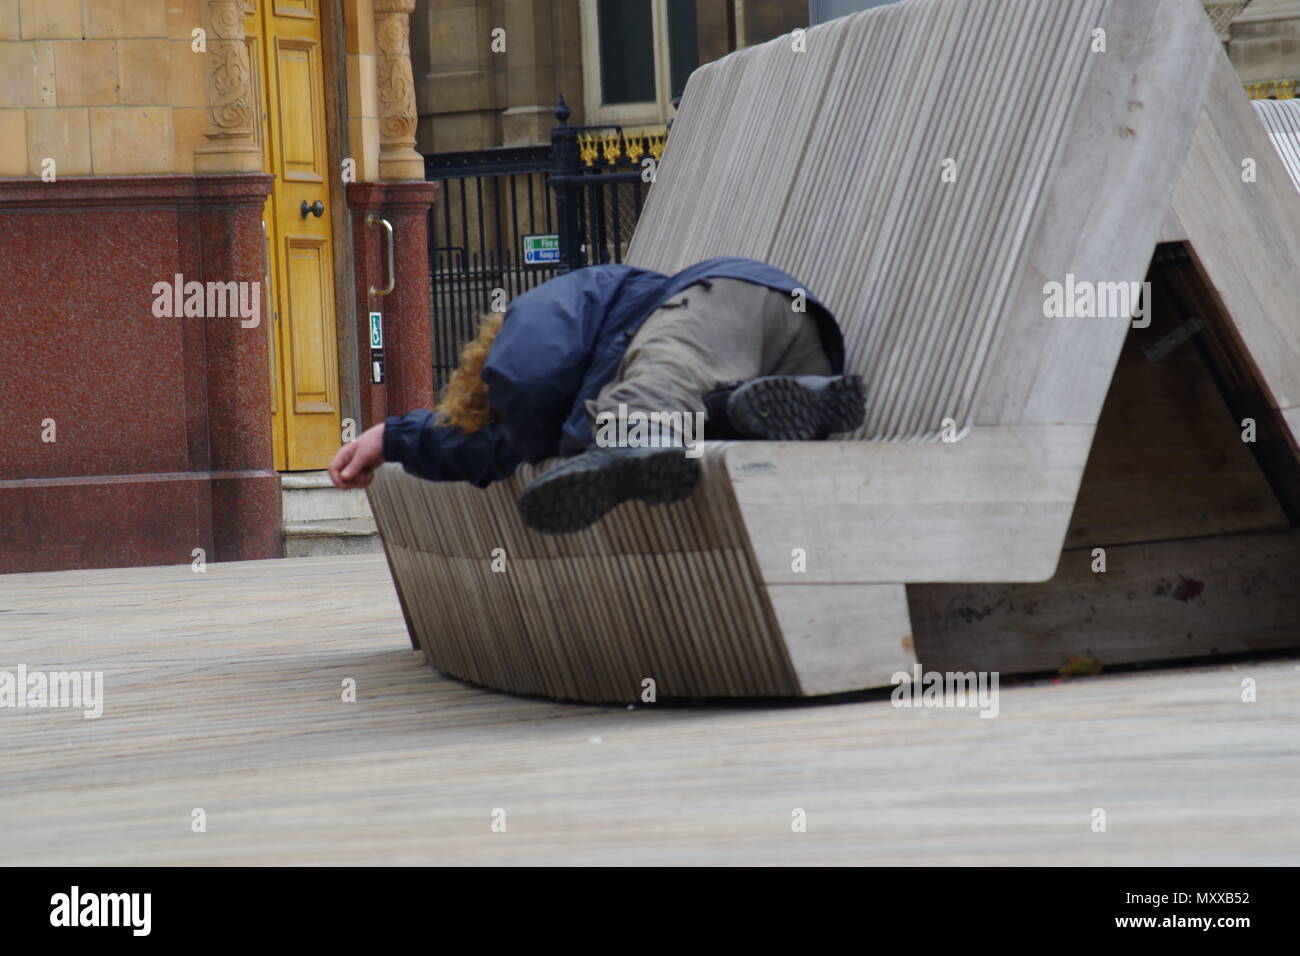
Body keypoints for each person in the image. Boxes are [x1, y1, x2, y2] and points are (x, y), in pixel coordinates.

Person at [329, 256, 865, 534]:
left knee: (653, 389)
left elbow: (529, 385)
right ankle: (776, 410)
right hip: (794, 361)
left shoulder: (524, 331)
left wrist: (569, 445)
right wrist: (393, 437)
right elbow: (501, 445)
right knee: (689, 415)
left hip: (725, 299)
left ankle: (647, 435)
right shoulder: (564, 405)